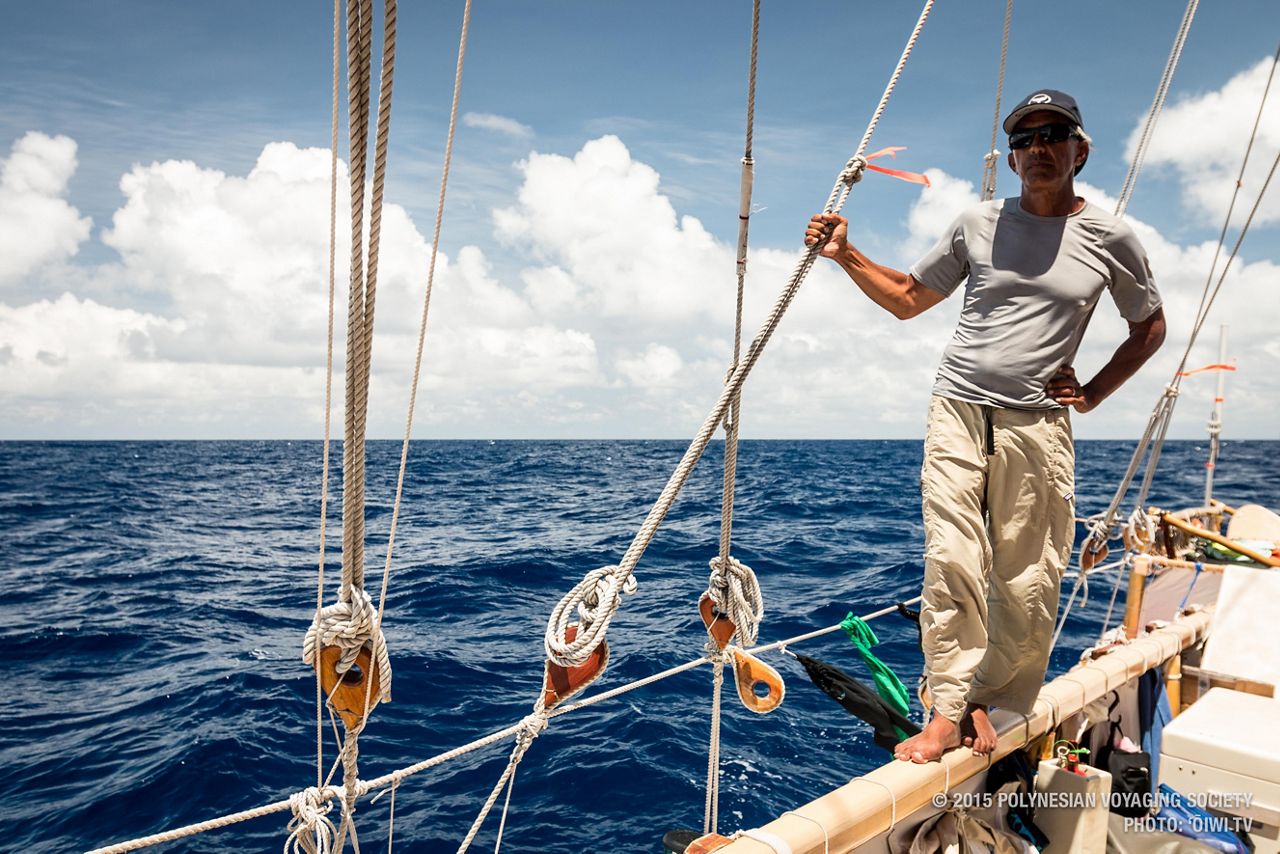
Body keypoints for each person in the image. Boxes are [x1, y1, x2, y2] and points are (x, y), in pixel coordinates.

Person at [804, 90, 1166, 763]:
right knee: (952, 560)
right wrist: (846, 255)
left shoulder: (1111, 238)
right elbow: (910, 300)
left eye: (1053, 133)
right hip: (959, 410)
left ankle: (984, 699)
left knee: (1028, 581)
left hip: (1038, 426)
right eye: (1025, 140)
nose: (1038, 148)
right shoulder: (977, 223)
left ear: (1080, 151)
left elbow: (1149, 328)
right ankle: (945, 711)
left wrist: (1089, 393)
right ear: (1013, 157)